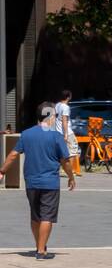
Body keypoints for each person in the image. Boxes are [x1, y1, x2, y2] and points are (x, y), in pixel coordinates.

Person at [0, 102, 77, 259]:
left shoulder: (27, 134)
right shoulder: (56, 136)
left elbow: (13, 154)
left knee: (35, 216)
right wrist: (71, 177)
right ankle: (41, 251)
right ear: (49, 116)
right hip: (50, 183)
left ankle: (39, 246)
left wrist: (2, 171)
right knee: (47, 216)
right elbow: (65, 161)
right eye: (55, 115)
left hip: (31, 182)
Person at [53, 90, 80, 175]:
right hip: (67, 132)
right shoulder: (65, 107)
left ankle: (60, 169)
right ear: (68, 97)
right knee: (72, 152)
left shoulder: (57, 105)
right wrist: (65, 135)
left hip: (57, 132)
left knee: (60, 152)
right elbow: (64, 121)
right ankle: (69, 171)